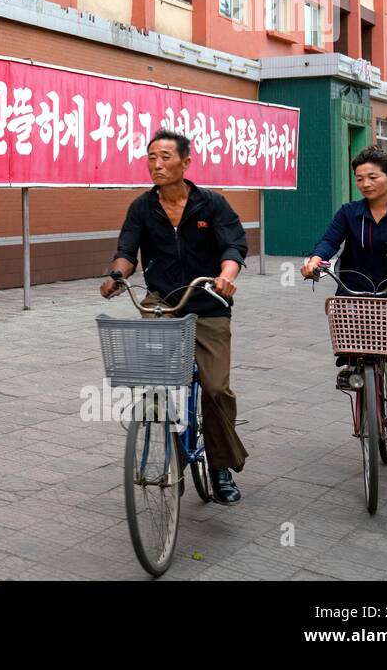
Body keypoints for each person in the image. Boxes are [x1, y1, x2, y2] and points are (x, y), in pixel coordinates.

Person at [101, 128, 250, 504]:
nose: (157, 164)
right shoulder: (142, 207)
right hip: (161, 304)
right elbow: (126, 252)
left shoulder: (211, 204)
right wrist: (117, 276)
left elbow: (234, 244)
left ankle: (219, 466)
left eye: (165, 157)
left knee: (214, 389)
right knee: (156, 382)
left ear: (186, 161)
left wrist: (227, 276)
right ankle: (171, 454)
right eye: (151, 157)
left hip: (208, 303)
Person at [302, 146, 387, 465]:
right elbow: (328, 241)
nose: (365, 183)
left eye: (372, 176)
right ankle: (353, 367)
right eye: (360, 178)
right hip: (358, 293)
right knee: (351, 339)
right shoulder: (349, 213)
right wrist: (315, 260)